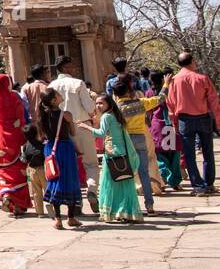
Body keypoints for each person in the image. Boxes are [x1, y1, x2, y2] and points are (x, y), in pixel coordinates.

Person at [79, 93, 143, 224]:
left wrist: (86, 127)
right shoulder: (115, 115)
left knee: (110, 184)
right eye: (96, 103)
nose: (98, 106)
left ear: (109, 103)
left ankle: (114, 211)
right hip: (121, 153)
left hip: (112, 154)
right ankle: (126, 212)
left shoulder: (107, 116)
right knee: (124, 184)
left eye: (101, 103)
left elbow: (101, 133)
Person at [49, 55, 99, 212]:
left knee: (71, 167)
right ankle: (91, 190)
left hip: (62, 130)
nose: (74, 68)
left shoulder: (51, 86)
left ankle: (76, 202)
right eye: (71, 66)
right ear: (64, 68)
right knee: (90, 163)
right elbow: (90, 108)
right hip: (83, 126)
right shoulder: (78, 83)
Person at [165, 51, 218, 195]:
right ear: (192, 61)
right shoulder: (202, 78)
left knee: (189, 155)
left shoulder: (175, 81)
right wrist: (217, 121)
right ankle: (208, 183)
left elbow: (171, 103)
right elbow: (214, 101)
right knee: (208, 152)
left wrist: (174, 122)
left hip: (184, 119)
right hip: (203, 117)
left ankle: (198, 186)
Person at [112, 76, 159, 216]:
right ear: (128, 91)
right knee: (143, 172)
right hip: (139, 138)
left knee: (126, 174)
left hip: (124, 141)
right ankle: (149, 205)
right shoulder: (140, 104)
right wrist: (167, 83)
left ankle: (129, 206)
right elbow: (160, 98)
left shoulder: (115, 110)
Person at [0, 74, 30, 216]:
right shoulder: (14, 97)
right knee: (18, 172)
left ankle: (6, 195)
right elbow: (21, 117)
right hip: (14, 138)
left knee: (3, 171)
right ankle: (18, 205)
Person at [38, 87, 82, 229]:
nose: (60, 95)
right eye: (57, 94)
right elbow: (73, 133)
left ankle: (58, 218)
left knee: (55, 178)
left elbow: (42, 136)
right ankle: (71, 217)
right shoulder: (66, 114)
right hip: (65, 149)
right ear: (53, 100)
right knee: (69, 179)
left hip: (51, 149)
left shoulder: (43, 116)